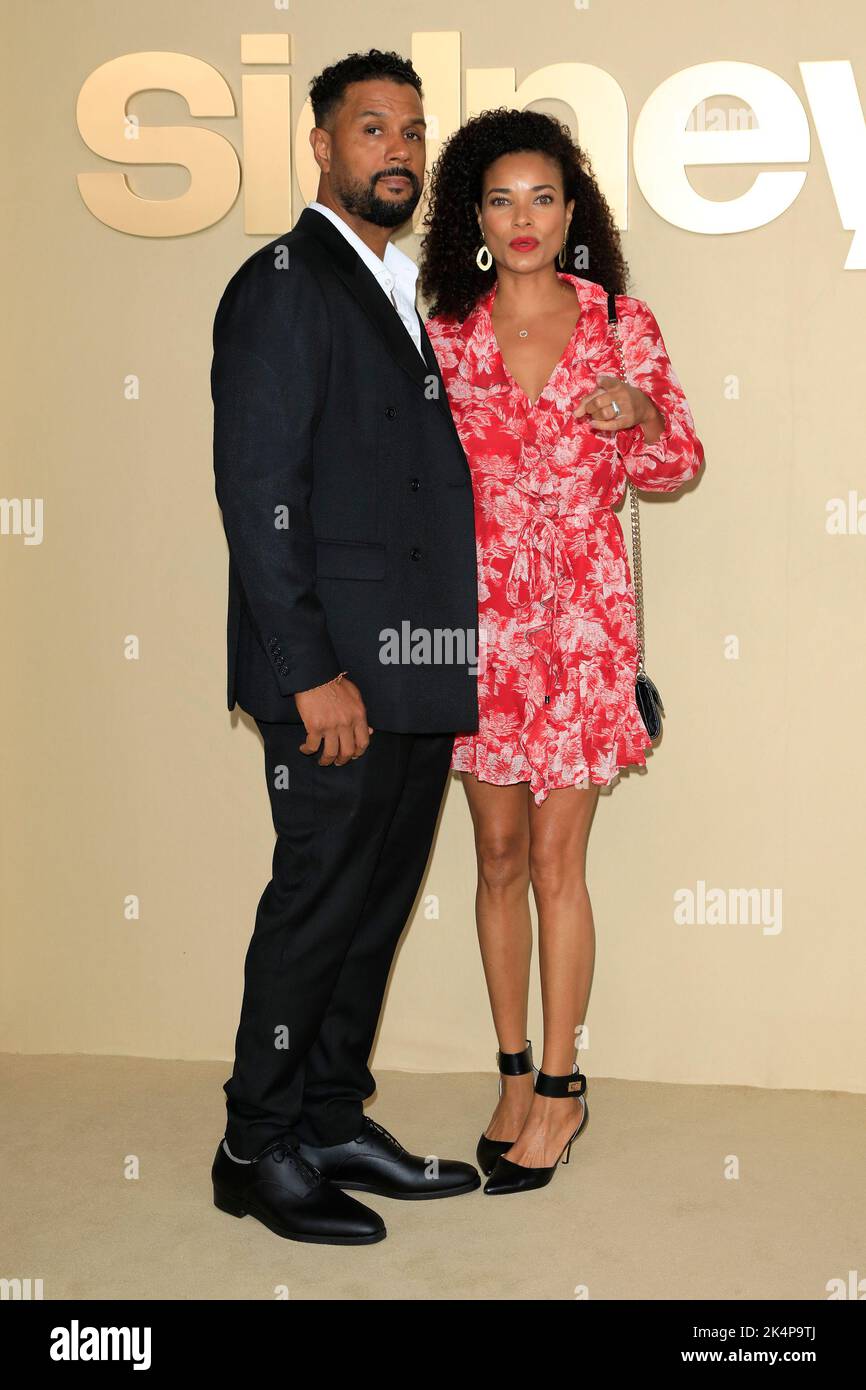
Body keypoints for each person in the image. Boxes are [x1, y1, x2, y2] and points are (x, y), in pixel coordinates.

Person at [209, 49, 481, 1245]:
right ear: (320, 145)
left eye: (413, 130)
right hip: (330, 675)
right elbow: (258, 491)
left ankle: (327, 1114)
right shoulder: (282, 281)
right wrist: (308, 668)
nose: (399, 150)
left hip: (415, 667)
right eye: (371, 129)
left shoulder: (397, 285)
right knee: (316, 905)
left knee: (371, 906)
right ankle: (252, 1144)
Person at [420, 108, 705, 1195]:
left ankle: (560, 1085)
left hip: (582, 627)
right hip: (477, 626)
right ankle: (504, 1070)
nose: (523, 217)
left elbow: (675, 462)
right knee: (493, 858)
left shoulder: (619, 322)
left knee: (554, 864)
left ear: (570, 211)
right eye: (500, 198)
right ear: (475, 220)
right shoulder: (442, 329)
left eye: (542, 196)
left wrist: (635, 411)